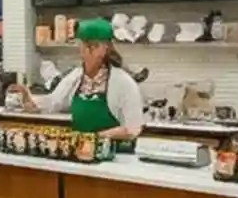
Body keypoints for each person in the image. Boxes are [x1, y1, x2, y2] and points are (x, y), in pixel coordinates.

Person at [9, 18, 144, 139]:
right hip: (82, 154)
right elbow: (52, 103)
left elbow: (133, 129)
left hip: (116, 159)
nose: (86, 51)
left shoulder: (123, 82)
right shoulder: (75, 78)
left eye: (93, 46)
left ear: (106, 49)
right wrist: (28, 98)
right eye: (84, 46)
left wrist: (97, 138)